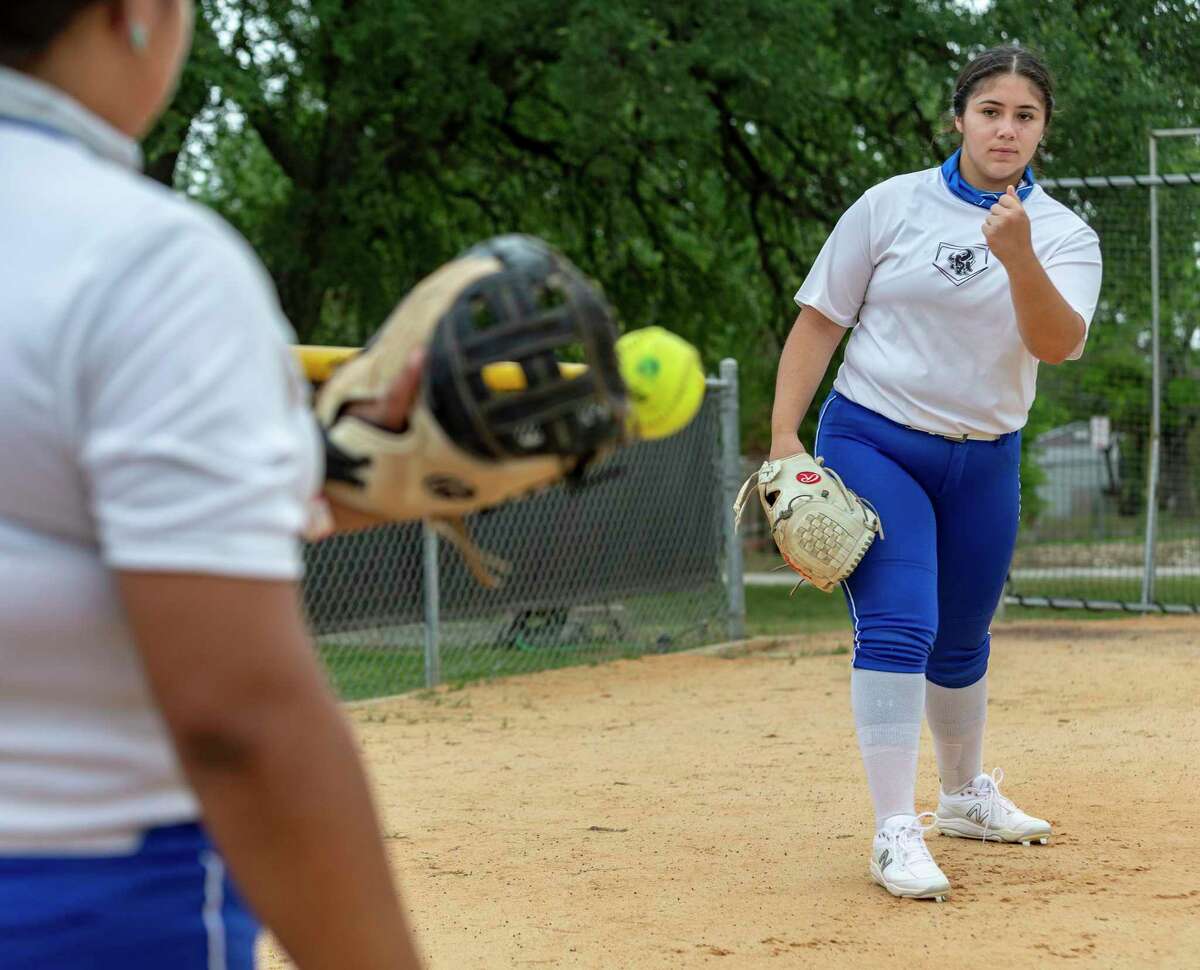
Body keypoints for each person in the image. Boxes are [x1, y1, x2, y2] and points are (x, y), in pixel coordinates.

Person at [0, 2, 424, 966]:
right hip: (78, 912)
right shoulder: (145, 264)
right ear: (134, 13)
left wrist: (326, 464)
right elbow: (239, 720)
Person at [769, 46, 1102, 901]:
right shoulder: (891, 205)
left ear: (1043, 130)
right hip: (875, 438)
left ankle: (961, 797)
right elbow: (820, 322)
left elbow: (1056, 344)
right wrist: (782, 439)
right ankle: (894, 829)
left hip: (986, 456)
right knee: (899, 622)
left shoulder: (1064, 233)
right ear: (959, 117)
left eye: (1025, 116)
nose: (1006, 129)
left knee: (962, 636)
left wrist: (1019, 255)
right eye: (990, 110)